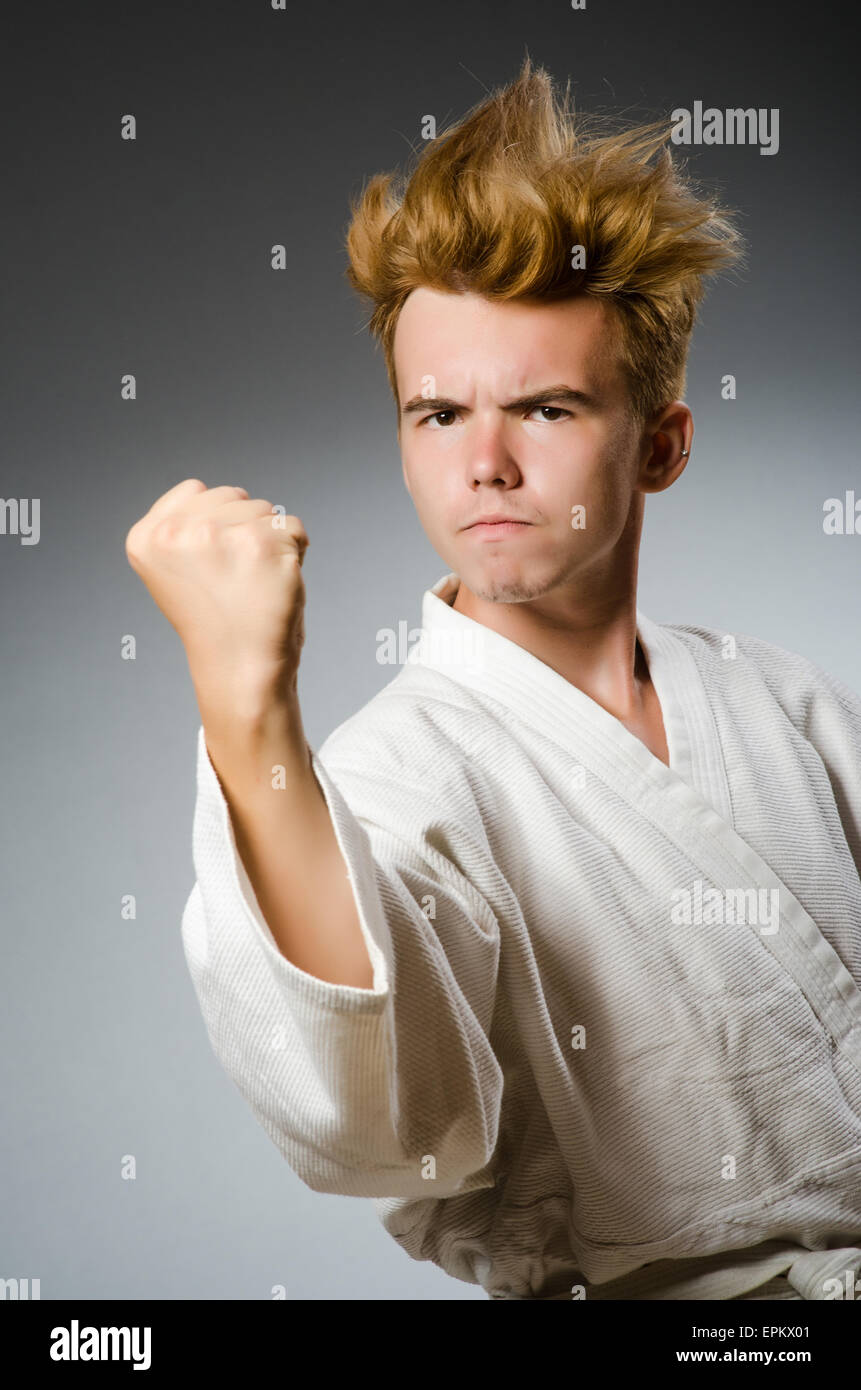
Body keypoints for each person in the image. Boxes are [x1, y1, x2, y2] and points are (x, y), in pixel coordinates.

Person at [125, 57, 861, 1300]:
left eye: (549, 410)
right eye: (438, 415)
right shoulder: (386, 777)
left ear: (662, 445)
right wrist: (248, 709)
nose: (487, 465)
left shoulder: (788, 704)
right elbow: (384, 1121)